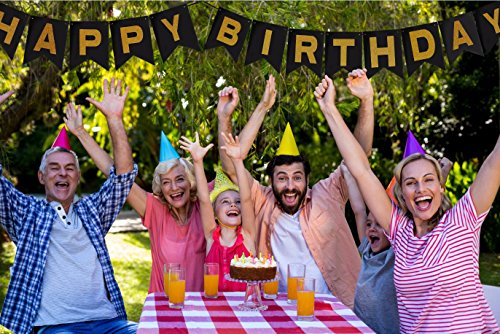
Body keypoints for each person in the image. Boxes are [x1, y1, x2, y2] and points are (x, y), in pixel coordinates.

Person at [314, 74, 500, 333]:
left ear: (440, 186)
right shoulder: (400, 231)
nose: (420, 188)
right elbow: (361, 170)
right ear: (402, 193)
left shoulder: (463, 221)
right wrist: (330, 109)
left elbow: (494, 162)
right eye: (411, 182)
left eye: (428, 180)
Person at [218, 70, 374, 308]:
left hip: (334, 306)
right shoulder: (262, 200)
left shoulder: (328, 193)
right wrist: (246, 111)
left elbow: (359, 158)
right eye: (282, 178)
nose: (290, 186)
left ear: (307, 179)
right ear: (270, 181)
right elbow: (231, 163)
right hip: (277, 309)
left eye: (297, 177)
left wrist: (366, 101)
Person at [0, 80, 138, 333]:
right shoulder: (27, 212)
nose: (62, 173)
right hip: (56, 327)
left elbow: (123, 176)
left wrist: (115, 119)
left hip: (108, 322)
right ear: (42, 177)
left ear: (77, 177)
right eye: (54, 168)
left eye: (69, 168)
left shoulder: (92, 212)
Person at [65, 95, 206, 293]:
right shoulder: (156, 210)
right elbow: (115, 174)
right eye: (166, 182)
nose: (174, 187)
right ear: (161, 188)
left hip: (201, 308)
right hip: (164, 308)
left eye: (180, 179)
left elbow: (231, 171)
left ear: (191, 181)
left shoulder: (205, 205)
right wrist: (81, 132)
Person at [342, 158, 451, 334]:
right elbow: (359, 210)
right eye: (369, 225)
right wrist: (347, 173)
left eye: (380, 225)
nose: (371, 229)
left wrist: (441, 178)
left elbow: (425, 215)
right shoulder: (367, 249)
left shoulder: (399, 252)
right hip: (361, 329)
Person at [180, 132, 256, 291]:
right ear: (214, 212)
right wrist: (198, 162)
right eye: (225, 202)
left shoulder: (247, 235)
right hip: (214, 310)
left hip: (245, 311)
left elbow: (247, 198)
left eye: (237, 201)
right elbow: (204, 200)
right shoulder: (211, 237)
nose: (233, 205)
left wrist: (237, 161)